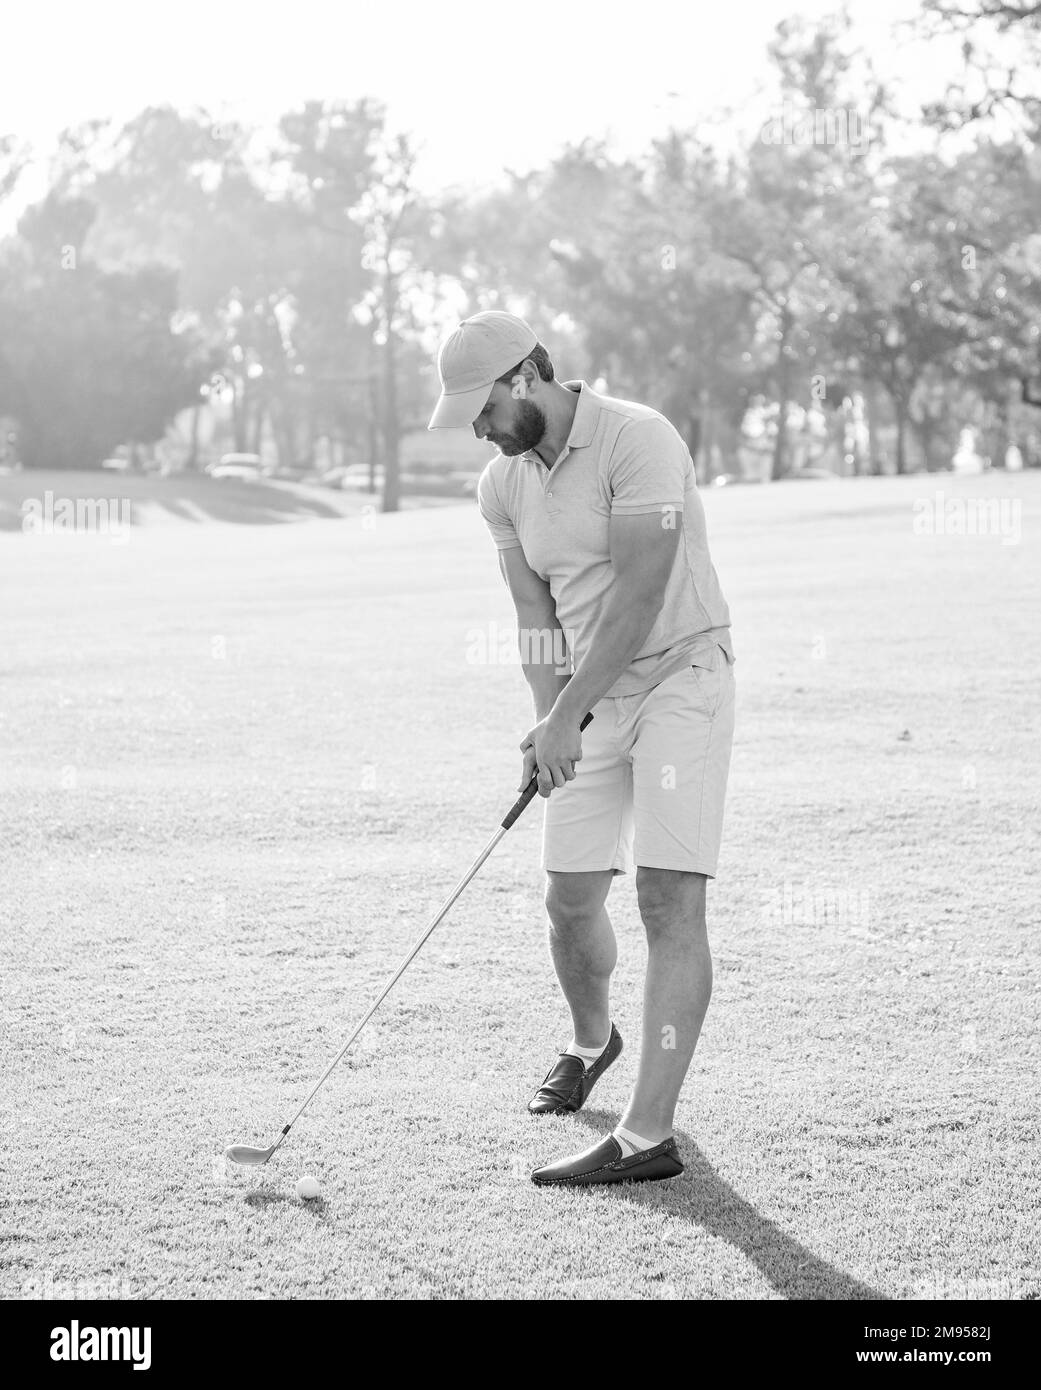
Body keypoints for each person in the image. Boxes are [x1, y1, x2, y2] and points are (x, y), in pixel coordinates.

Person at [428, 310, 736, 1187]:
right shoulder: (503, 483)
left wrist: (569, 713)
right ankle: (591, 1041)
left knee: (667, 902)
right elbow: (534, 615)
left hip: (681, 676)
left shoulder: (640, 438)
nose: (479, 430)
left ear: (525, 376)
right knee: (568, 901)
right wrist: (544, 724)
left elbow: (640, 594)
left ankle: (647, 1137)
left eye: (482, 408)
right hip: (582, 699)